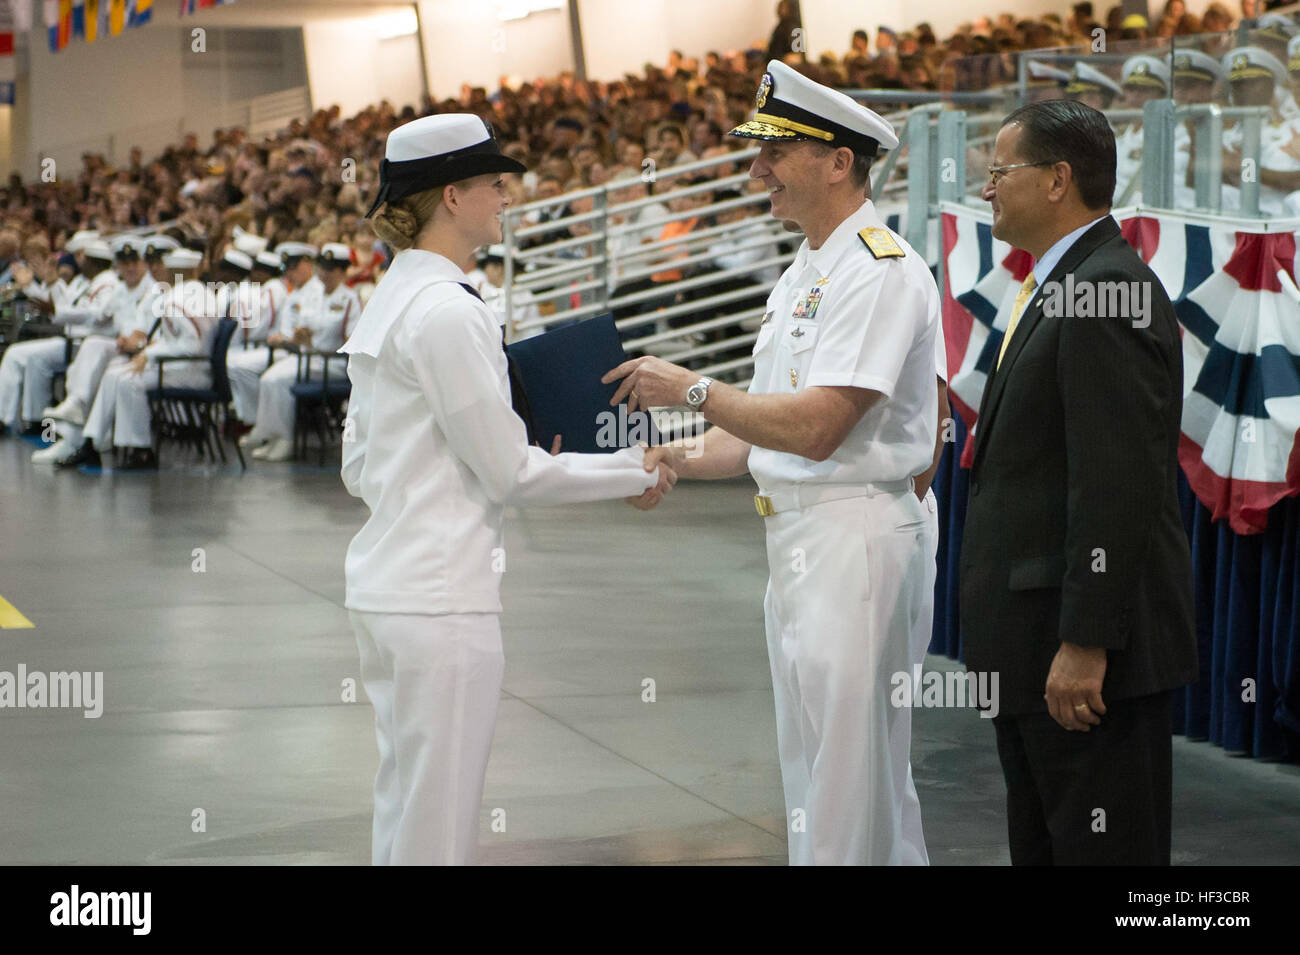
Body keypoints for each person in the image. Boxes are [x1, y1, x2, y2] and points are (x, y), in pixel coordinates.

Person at [604, 60, 939, 865]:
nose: (758, 171)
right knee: (819, 772)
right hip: (797, 539)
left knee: (849, 777)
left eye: (777, 151)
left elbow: (820, 426)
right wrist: (672, 459)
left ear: (838, 161)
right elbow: (758, 433)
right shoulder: (804, 273)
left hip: (852, 536)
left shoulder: (878, 270)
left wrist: (693, 391)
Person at [339, 113, 676, 866]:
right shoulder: (450, 312)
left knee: (406, 807)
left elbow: (356, 465)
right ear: (451, 195)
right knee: (440, 827)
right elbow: (510, 471)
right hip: (441, 595)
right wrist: (632, 468)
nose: (507, 197)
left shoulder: (392, 297)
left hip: (390, 588)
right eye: (495, 183)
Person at [964, 99, 1196, 865]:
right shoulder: (1066, 282)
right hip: (1034, 654)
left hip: (1084, 665)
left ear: (1059, 178)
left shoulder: (1102, 293)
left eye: (1001, 171)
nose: (988, 189)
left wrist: (1085, 641)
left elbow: (1115, 484)